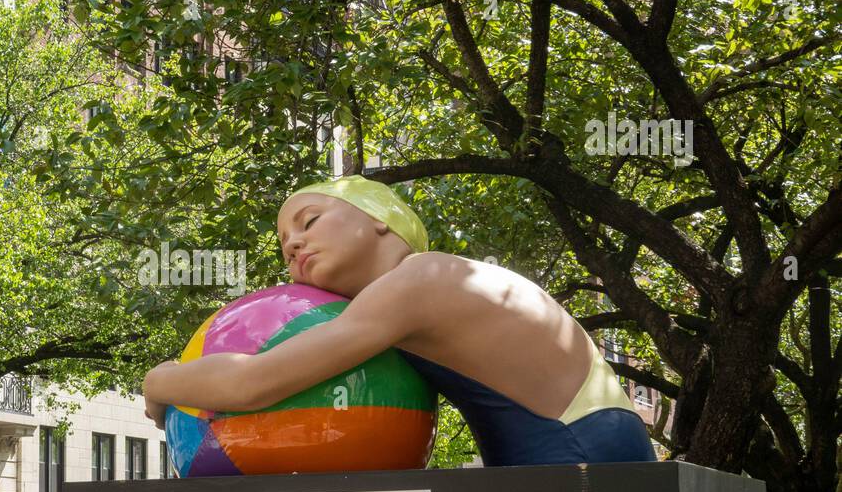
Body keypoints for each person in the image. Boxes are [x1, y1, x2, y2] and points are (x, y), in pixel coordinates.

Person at [142, 175, 658, 467]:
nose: (293, 244)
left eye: (310, 222)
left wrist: (159, 380)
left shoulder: (419, 281)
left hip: (575, 454)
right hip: (585, 441)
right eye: (283, 242)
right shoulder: (445, 279)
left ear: (380, 222)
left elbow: (257, 383)